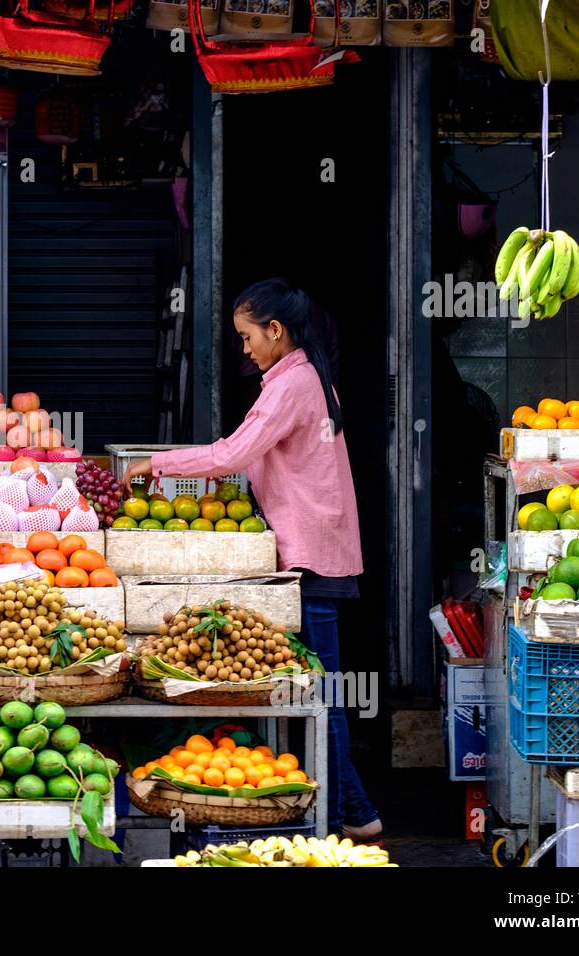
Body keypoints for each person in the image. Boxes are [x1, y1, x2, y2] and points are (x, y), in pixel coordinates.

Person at [123, 277, 380, 839]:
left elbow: (236, 452)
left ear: (276, 330)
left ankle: (341, 818)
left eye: (246, 337)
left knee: (321, 696)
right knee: (321, 692)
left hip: (311, 556)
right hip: (314, 549)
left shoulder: (294, 384)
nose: (243, 349)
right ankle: (357, 814)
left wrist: (159, 464)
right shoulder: (302, 376)